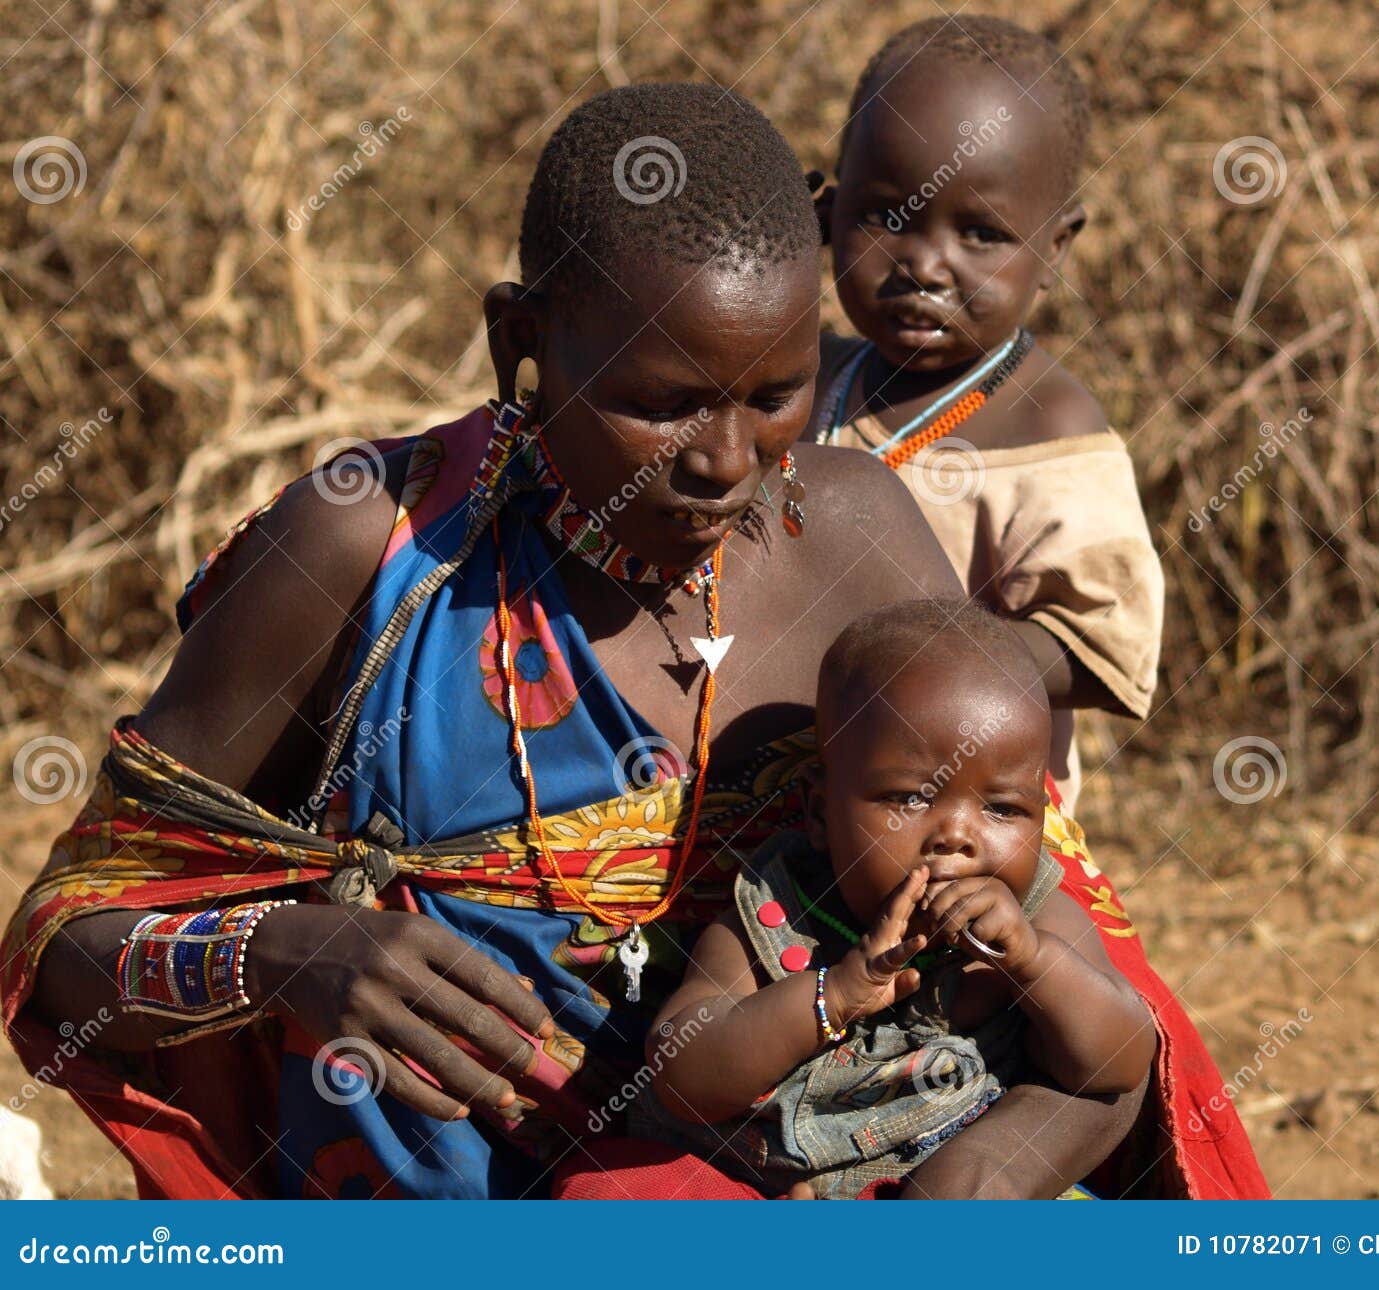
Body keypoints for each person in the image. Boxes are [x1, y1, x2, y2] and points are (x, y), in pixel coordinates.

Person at [1, 83, 1265, 1201]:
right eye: (662, 405)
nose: (726, 462)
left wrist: (973, 1189)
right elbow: (62, 943)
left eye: (774, 395)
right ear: (521, 342)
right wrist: (290, 952)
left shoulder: (858, 532)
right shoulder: (370, 549)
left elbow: (1054, 946)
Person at [600, 599, 1155, 1199]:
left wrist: (1031, 961)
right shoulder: (775, 910)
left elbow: (1122, 1061)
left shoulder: (1037, 913)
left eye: (1002, 808)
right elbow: (681, 1074)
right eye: (910, 798)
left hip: (949, 1175)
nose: (957, 836)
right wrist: (833, 996)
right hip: (766, 1179)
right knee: (607, 1192)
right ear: (819, 813)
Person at [812, 16, 1165, 817]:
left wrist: (916, 666)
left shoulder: (1050, 432)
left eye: (981, 233)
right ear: (828, 214)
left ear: (1056, 248)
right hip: (805, 799)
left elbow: (1102, 645)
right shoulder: (806, 380)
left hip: (969, 825)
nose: (925, 265)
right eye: (885, 217)